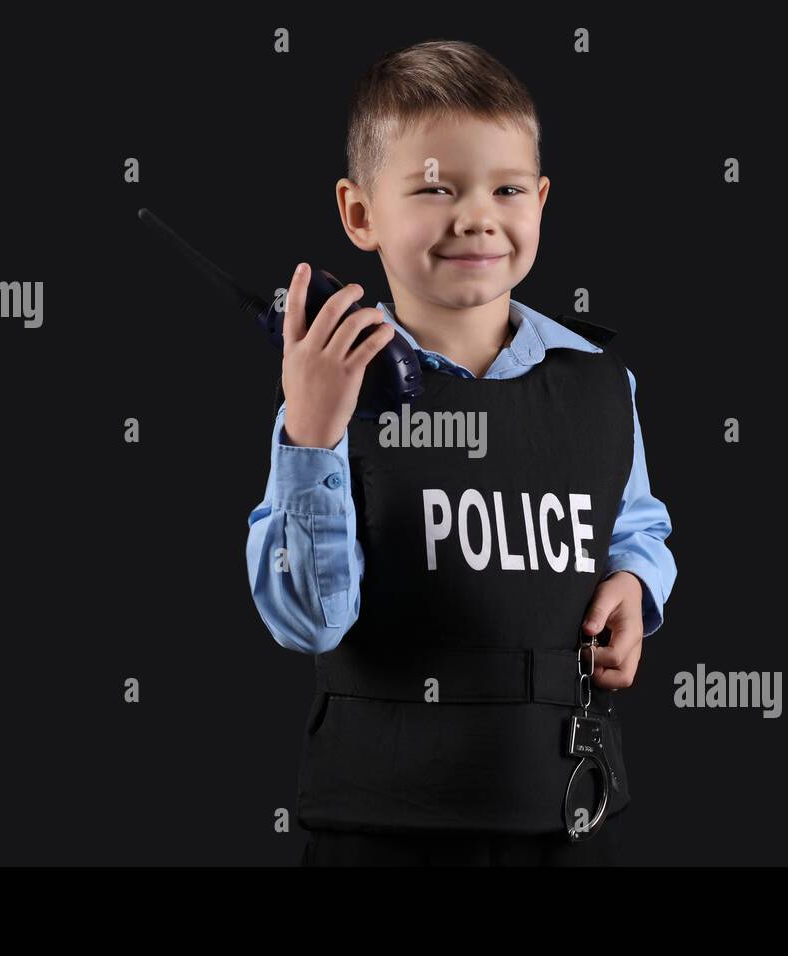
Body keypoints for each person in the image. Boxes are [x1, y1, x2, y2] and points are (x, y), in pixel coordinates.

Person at [245, 39, 677, 866]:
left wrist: (636, 583)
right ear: (360, 213)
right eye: (435, 188)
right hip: (380, 829)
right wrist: (312, 436)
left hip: (564, 816)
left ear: (541, 201)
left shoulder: (597, 381)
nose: (476, 215)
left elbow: (637, 524)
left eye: (507, 189)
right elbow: (307, 620)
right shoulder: (328, 394)